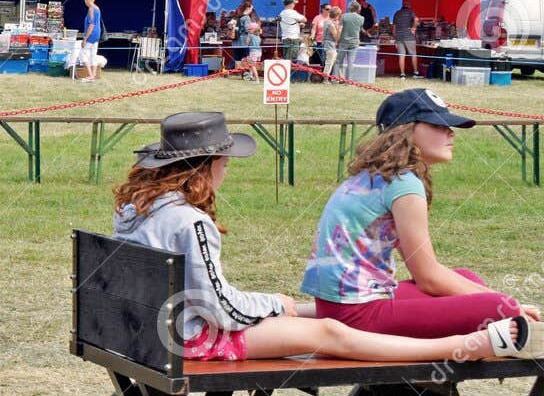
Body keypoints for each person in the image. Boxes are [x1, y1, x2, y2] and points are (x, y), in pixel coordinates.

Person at [114, 111, 540, 363]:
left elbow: (203, 293)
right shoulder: (191, 222)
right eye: (225, 159)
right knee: (328, 334)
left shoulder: (138, 209)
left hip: (156, 325)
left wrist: (280, 305)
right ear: (207, 165)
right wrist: (268, 305)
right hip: (192, 336)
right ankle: (463, 345)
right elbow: (221, 309)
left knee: (301, 314)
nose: (228, 167)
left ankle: (293, 309)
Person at [300, 88, 538, 341]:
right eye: (439, 124)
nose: (450, 132)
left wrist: (490, 296)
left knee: (466, 279)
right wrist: (506, 303)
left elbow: (424, 271)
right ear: (406, 130)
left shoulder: (375, 175)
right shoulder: (404, 184)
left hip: (339, 305)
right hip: (357, 315)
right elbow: (428, 279)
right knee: (501, 308)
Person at [76, 0, 103, 83]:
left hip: (91, 35)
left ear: (86, 0)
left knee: (82, 54)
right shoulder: (97, 8)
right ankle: (93, 75)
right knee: (93, 55)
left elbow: (91, 25)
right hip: (97, 34)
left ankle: (90, 75)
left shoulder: (91, 9)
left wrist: (85, 39)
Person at [336, 0, 365, 82]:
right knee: (350, 63)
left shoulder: (344, 16)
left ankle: (335, 79)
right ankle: (349, 80)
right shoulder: (361, 18)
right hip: (355, 42)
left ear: (350, 8)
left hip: (343, 41)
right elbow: (359, 29)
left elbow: (340, 29)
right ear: (358, 9)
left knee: (338, 61)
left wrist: (337, 40)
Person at [392, 1, 420, 78]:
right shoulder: (411, 12)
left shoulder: (397, 13)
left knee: (401, 56)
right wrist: (414, 28)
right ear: (409, 6)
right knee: (413, 54)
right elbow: (416, 19)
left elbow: (394, 28)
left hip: (399, 37)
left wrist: (395, 38)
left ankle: (402, 74)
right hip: (409, 36)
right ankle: (415, 73)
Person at [276, 0, 305, 64]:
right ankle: (290, 74)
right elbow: (304, 19)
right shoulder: (292, 12)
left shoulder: (282, 13)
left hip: (285, 38)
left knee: (286, 58)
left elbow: (288, 23)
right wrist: (299, 23)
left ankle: (286, 73)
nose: (294, 5)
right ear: (290, 4)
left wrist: (297, 23)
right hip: (293, 38)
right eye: (294, 3)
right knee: (292, 59)